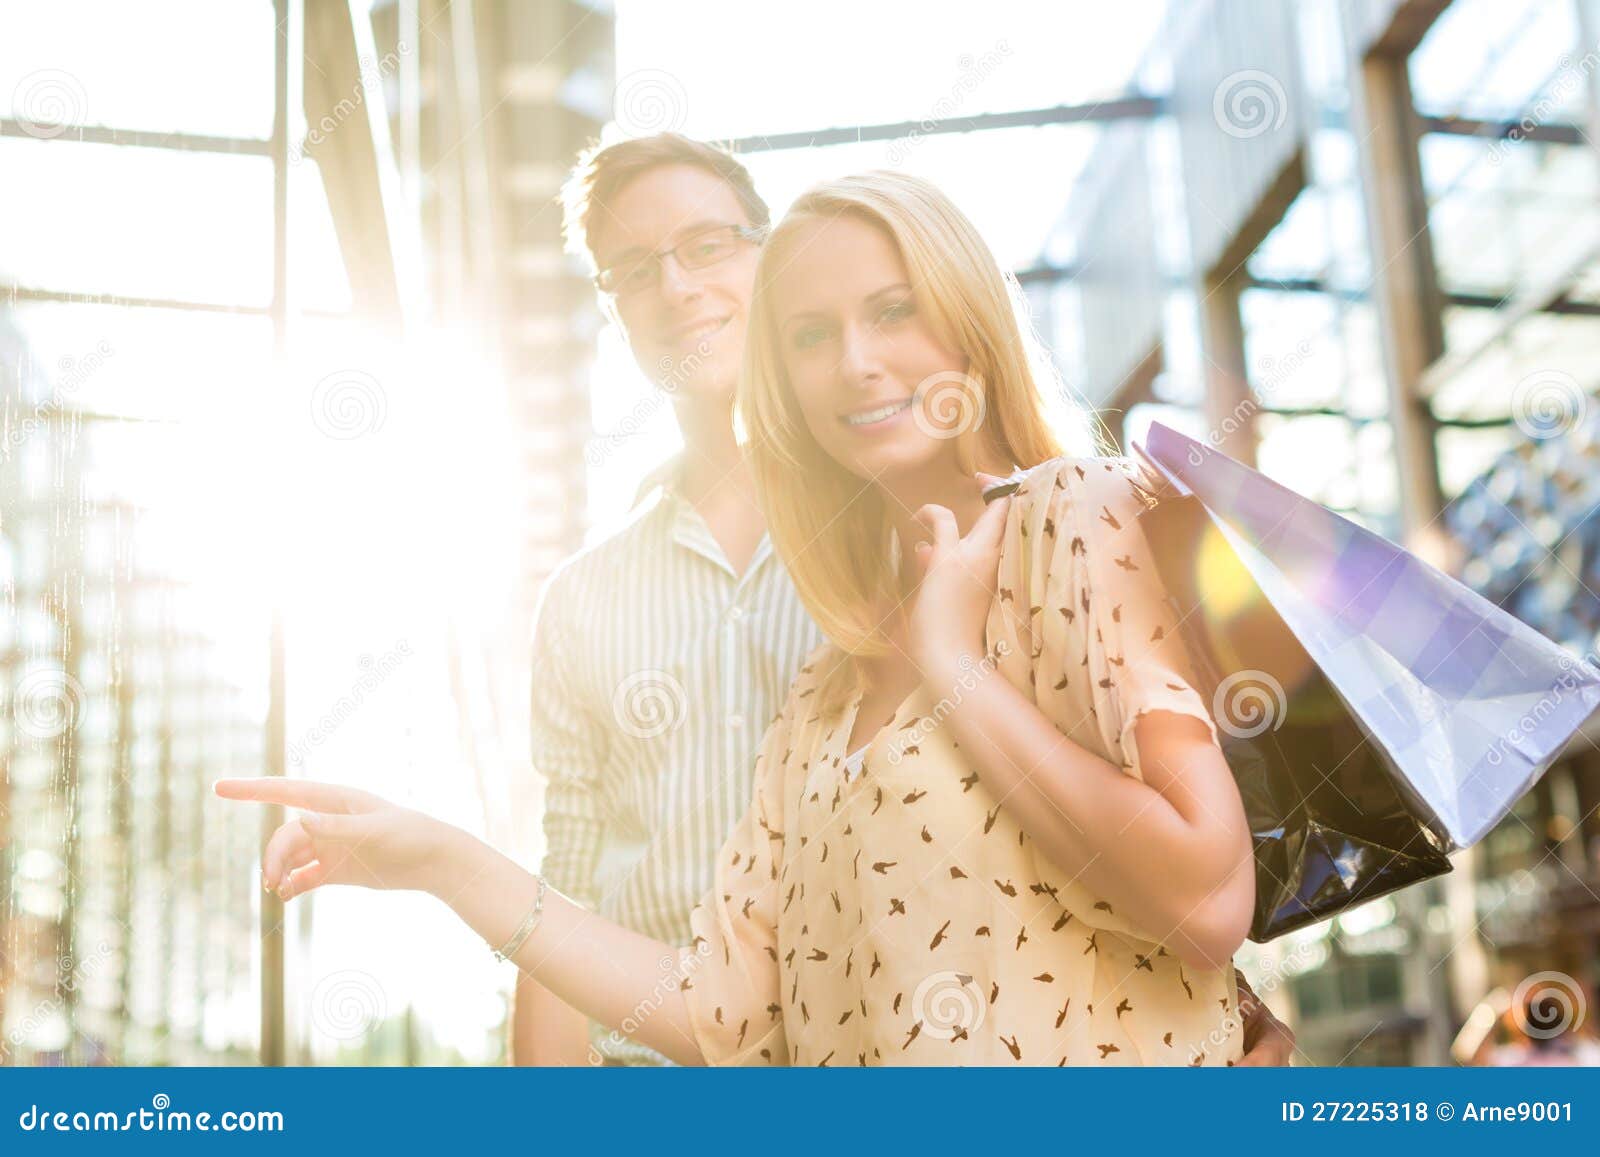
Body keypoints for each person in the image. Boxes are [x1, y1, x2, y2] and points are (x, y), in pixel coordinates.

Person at [219, 165, 1283, 1066]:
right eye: (812, 335)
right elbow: (723, 1010)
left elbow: (1203, 898)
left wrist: (953, 661)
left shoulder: (1079, 516)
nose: (856, 361)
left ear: (966, 315)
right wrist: (445, 862)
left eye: (893, 309)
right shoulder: (825, 685)